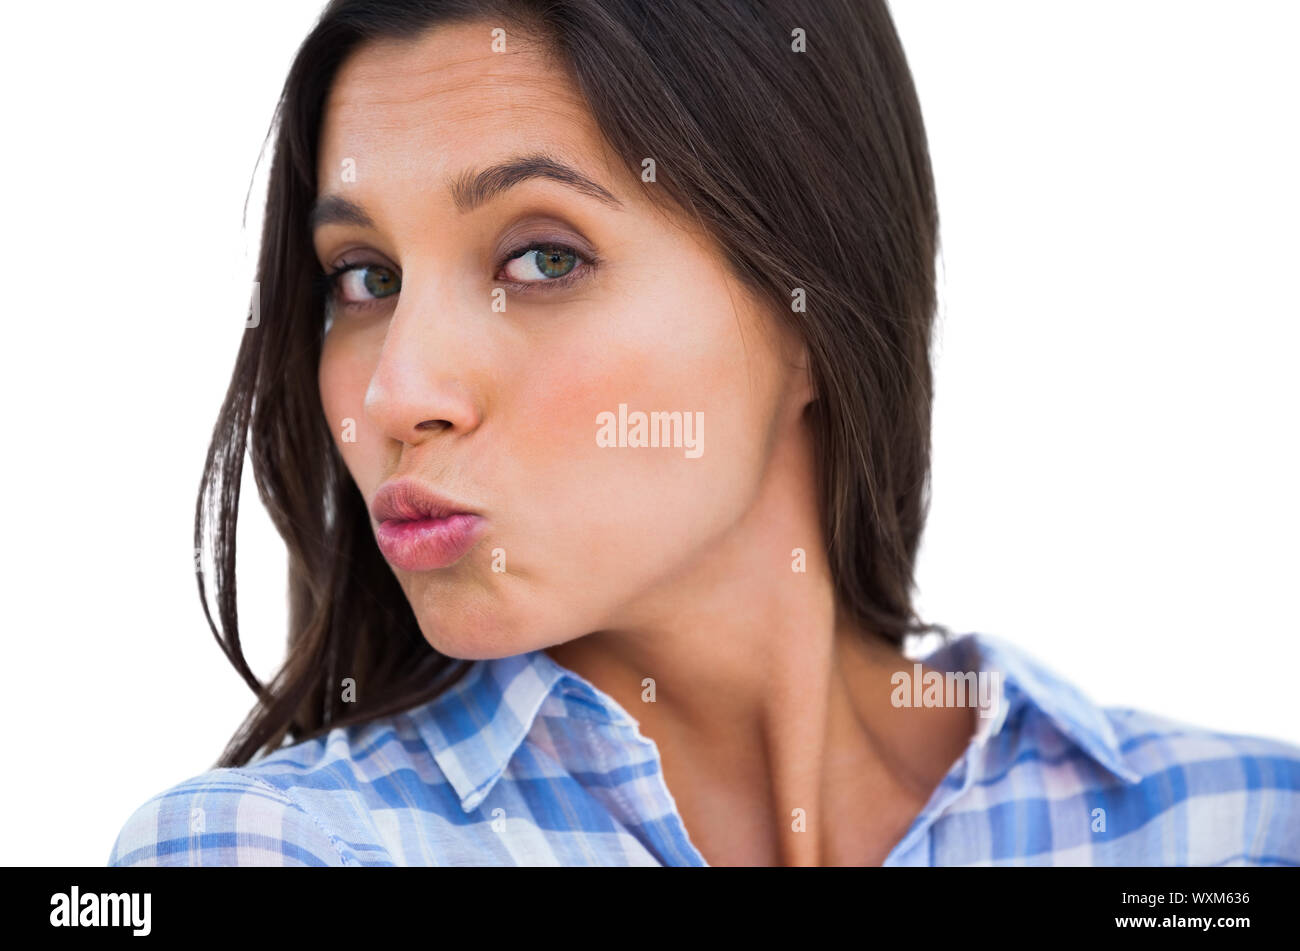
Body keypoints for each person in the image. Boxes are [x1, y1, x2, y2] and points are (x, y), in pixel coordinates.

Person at [108, 0, 1300, 866]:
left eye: (539, 257)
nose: (394, 392)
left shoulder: (1236, 830)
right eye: (362, 276)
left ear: (807, 310)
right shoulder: (270, 852)